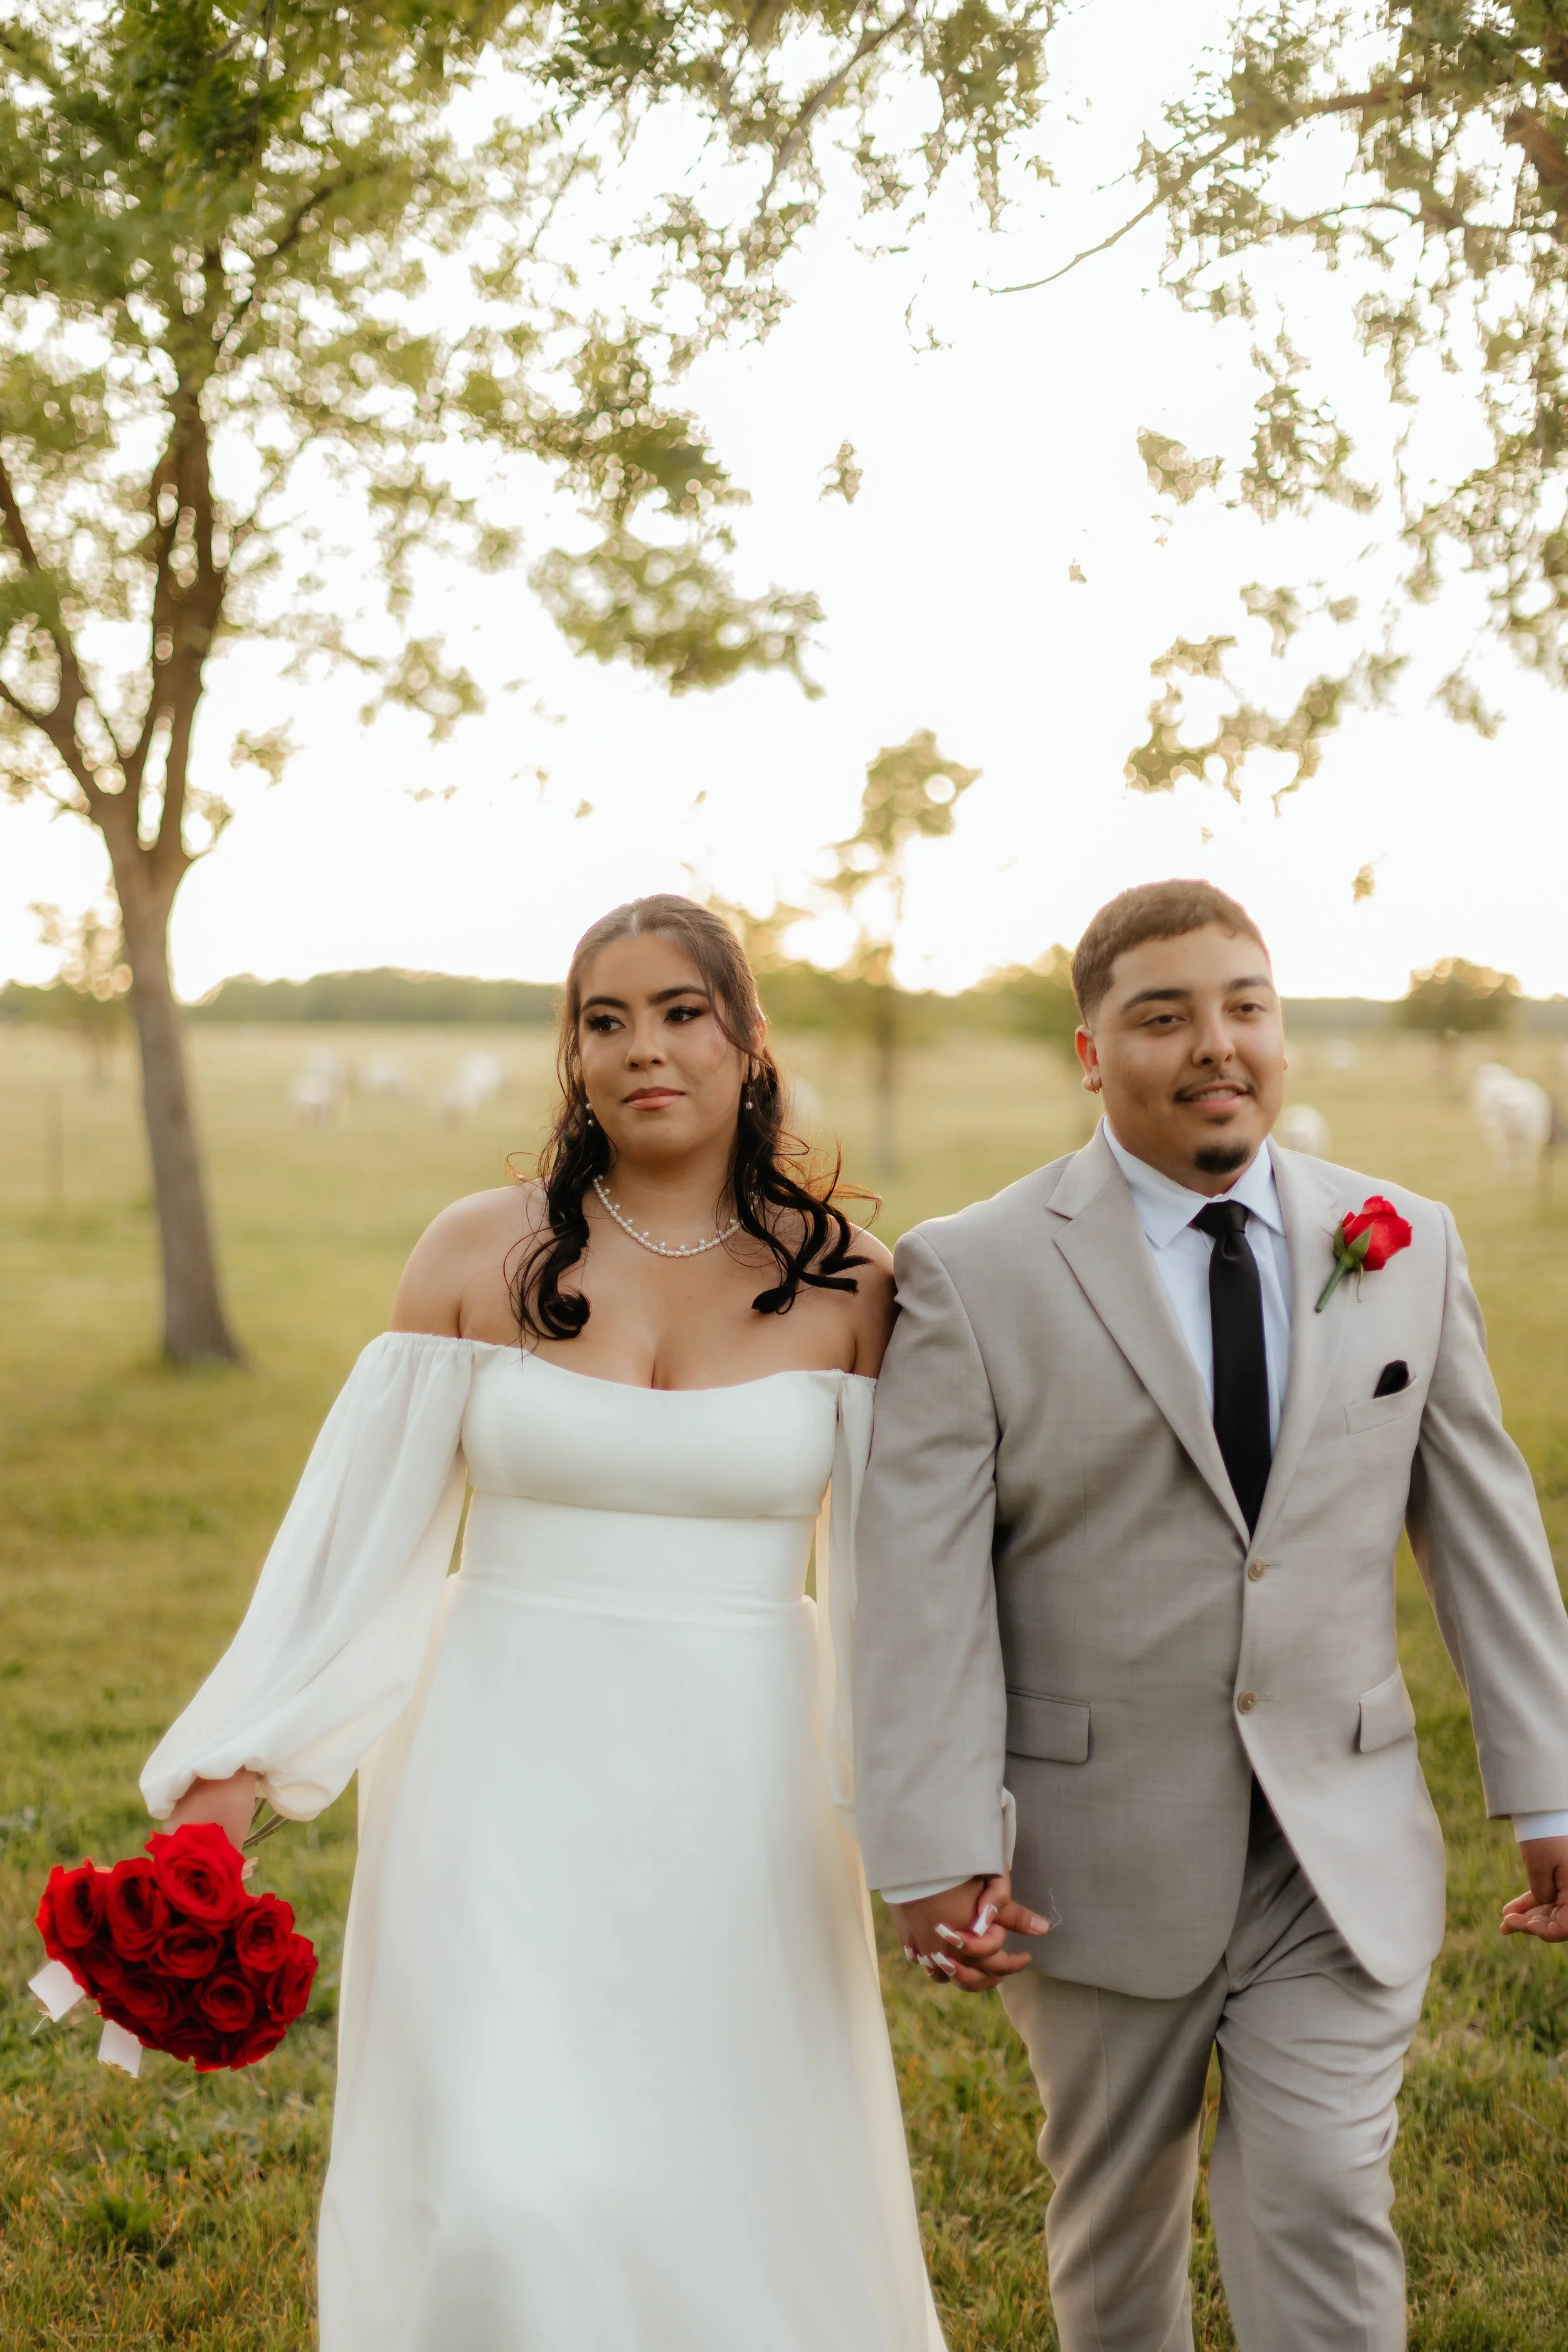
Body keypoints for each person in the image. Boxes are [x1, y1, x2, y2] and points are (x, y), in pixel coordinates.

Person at [141, 893, 954, 2352]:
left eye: (681, 1012)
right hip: (497, 1772)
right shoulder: (474, 1255)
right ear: (570, 1055)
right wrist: (230, 1781)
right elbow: (354, 1546)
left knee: (730, 2181)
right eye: (604, 1019)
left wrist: (930, 1830)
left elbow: (902, 1597)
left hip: (740, 1792)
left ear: (747, 1040)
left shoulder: (847, 1286)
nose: (644, 1048)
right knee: (504, 2189)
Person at [852, 879, 1568, 2352]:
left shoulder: (1400, 1240)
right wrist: (928, 1847)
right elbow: (918, 1581)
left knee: (1317, 2190)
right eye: (1162, 1016)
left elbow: (1482, 1531)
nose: (1213, 1045)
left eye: (1243, 1005)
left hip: (1338, 1837)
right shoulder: (971, 1271)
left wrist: (1548, 1788)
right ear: (1089, 1050)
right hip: (1091, 1850)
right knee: (1115, 2241)